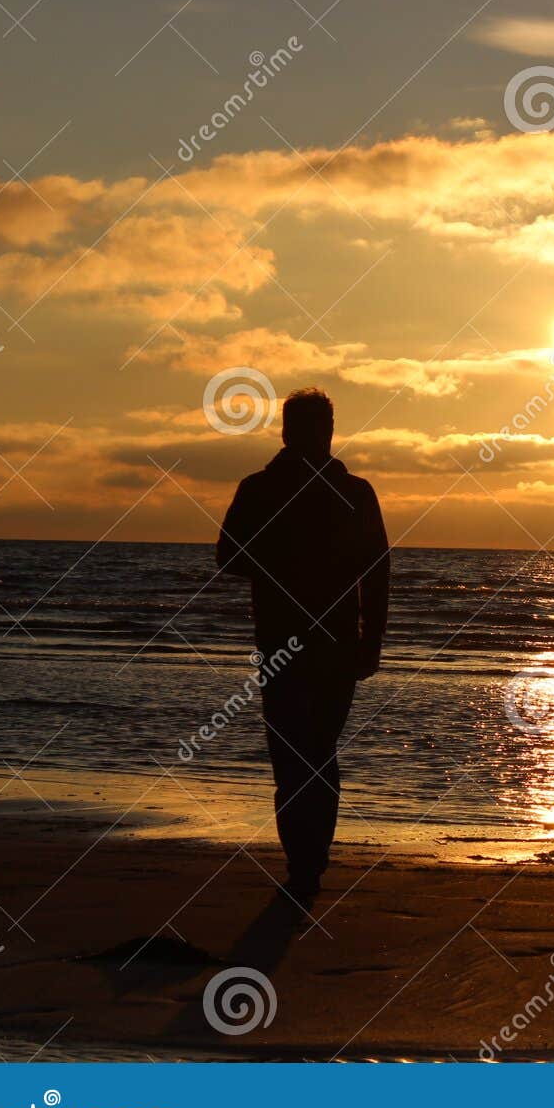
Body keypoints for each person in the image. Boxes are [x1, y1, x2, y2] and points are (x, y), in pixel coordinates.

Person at [216, 387, 389, 904]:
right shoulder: (270, 489)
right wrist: (370, 639)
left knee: (303, 754)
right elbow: (228, 555)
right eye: (312, 428)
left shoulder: (349, 492)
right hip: (298, 644)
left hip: (309, 643)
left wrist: (372, 639)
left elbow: (376, 569)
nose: (318, 437)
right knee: (308, 754)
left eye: (321, 427)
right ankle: (306, 864)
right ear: (292, 432)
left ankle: (307, 864)